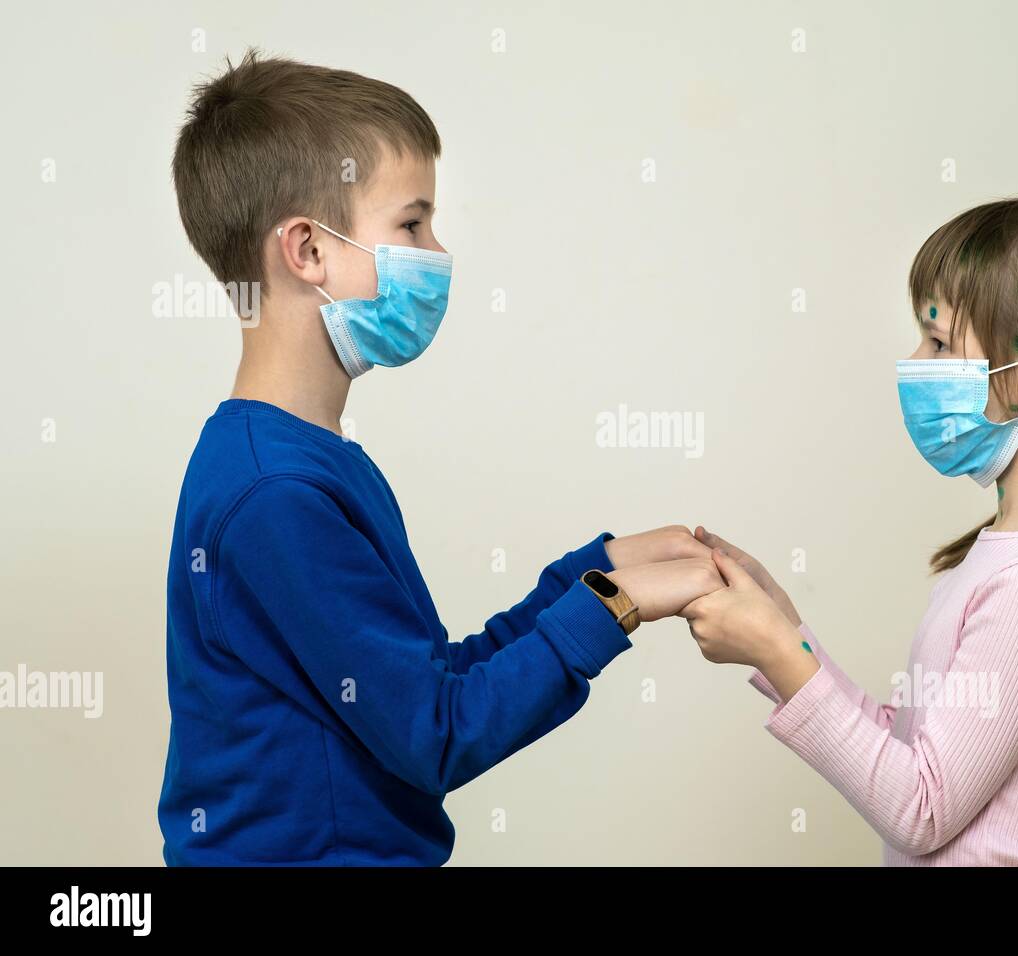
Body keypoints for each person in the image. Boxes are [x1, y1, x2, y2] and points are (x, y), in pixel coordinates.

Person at [158, 51, 722, 865]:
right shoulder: (276, 494)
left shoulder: (310, 463)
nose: (436, 250)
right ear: (307, 250)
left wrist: (591, 574)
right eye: (412, 224)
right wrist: (614, 605)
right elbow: (436, 735)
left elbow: (424, 688)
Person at [682, 198, 1018, 865]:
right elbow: (919, 758)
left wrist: (774, 652)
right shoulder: (1013, 558)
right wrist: (784, 628)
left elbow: (921, 809)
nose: (915, 361)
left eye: (939, 342)